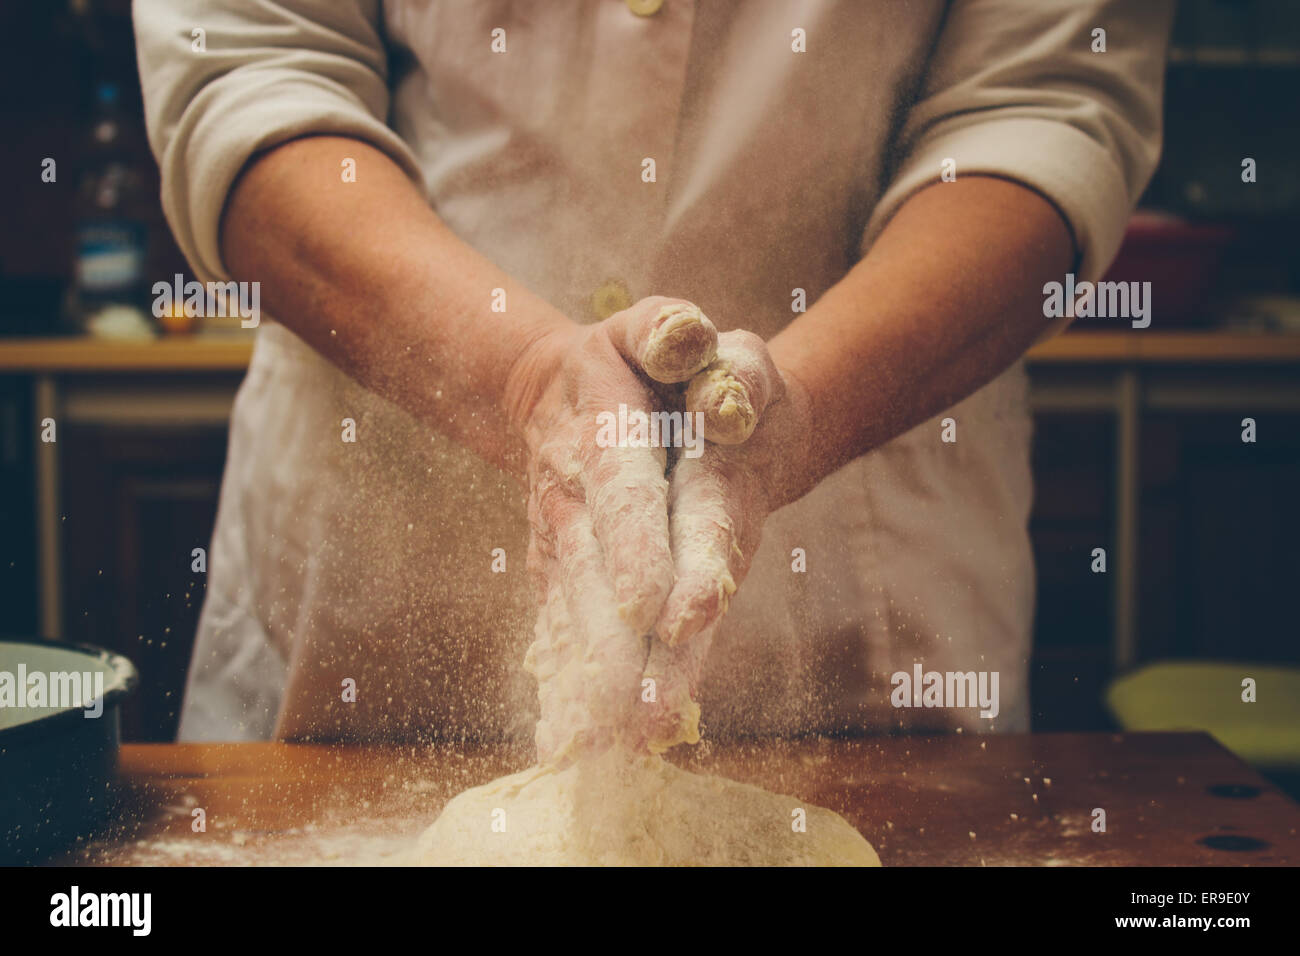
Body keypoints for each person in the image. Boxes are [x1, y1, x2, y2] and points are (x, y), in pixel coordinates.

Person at [133, 0, 1172, 745]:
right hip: (376, 594)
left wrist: (805, 402)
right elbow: (250, 73)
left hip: (868, 612)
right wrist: (519, 375)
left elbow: (1042, 107)